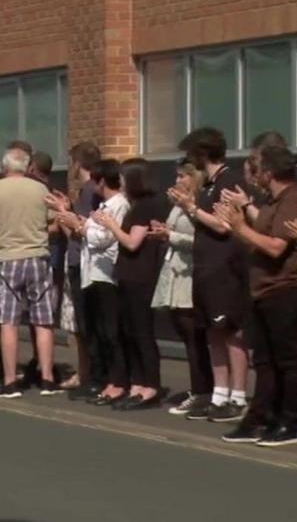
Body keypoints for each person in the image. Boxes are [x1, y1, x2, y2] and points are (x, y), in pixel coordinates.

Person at [217, 145, 297, 446]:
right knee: (265, 361)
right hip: (264, 290)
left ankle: (292, 421)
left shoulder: (293, 199)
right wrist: (242, 218)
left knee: (290, 360)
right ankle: (262, 417)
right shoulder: (272, 201)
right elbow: (264, 233)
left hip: (286, 289)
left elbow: (276, 247)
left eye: (257, 169)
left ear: (268, 172)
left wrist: (240, 227)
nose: (254, 175)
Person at [169, 127, 250, 423]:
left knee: (230, 332)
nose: (191, 161)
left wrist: (190, 208)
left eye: (192, 154)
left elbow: (223, 225)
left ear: (203, 153)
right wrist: (188, 205)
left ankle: (238, 396)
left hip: (224, 269)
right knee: (212, 332)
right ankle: (219, 394)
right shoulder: (208, 185)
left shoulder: (228, 181)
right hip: (205, 268)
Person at [0, 147, 60, 399]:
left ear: (4, 167)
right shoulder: (40, 189)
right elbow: (55, 221)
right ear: (28, 167)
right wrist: (39, 232)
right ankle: (48, 378)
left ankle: (10, 382)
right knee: (43, 320)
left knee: (8, 321)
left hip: (9, 258)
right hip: (38, 256)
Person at [92, 159, 167, 410]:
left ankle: (151, 385)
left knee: (142, 332)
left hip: (141, 275)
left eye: (124, 178)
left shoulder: (146, 206)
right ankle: (137, 382)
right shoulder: (135, 205)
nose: (120, 182)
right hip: (127, 274)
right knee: (130, 331)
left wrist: (110, 224)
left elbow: (133, 242)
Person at [152, 160, 211, 416]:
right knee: (185, 333)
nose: (177, 181)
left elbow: (201, 240)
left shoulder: (199, 204)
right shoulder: (179, 203)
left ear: (194, 177)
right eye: (177, 176)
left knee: (193, 335)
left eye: (182, 176)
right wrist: (164, 230)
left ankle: (203, 391)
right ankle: (200, 389)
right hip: (174, 270)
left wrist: (171, 236)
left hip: (190, 272)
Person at [59, 141, 104, 399]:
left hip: (81, 261)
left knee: (86, 324)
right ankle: (90, 375)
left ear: (77, 164)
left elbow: (81, 232)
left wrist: (63, 215)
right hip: (83, 260)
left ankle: (93, 377)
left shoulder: (88, 191)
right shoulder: (92, 190)